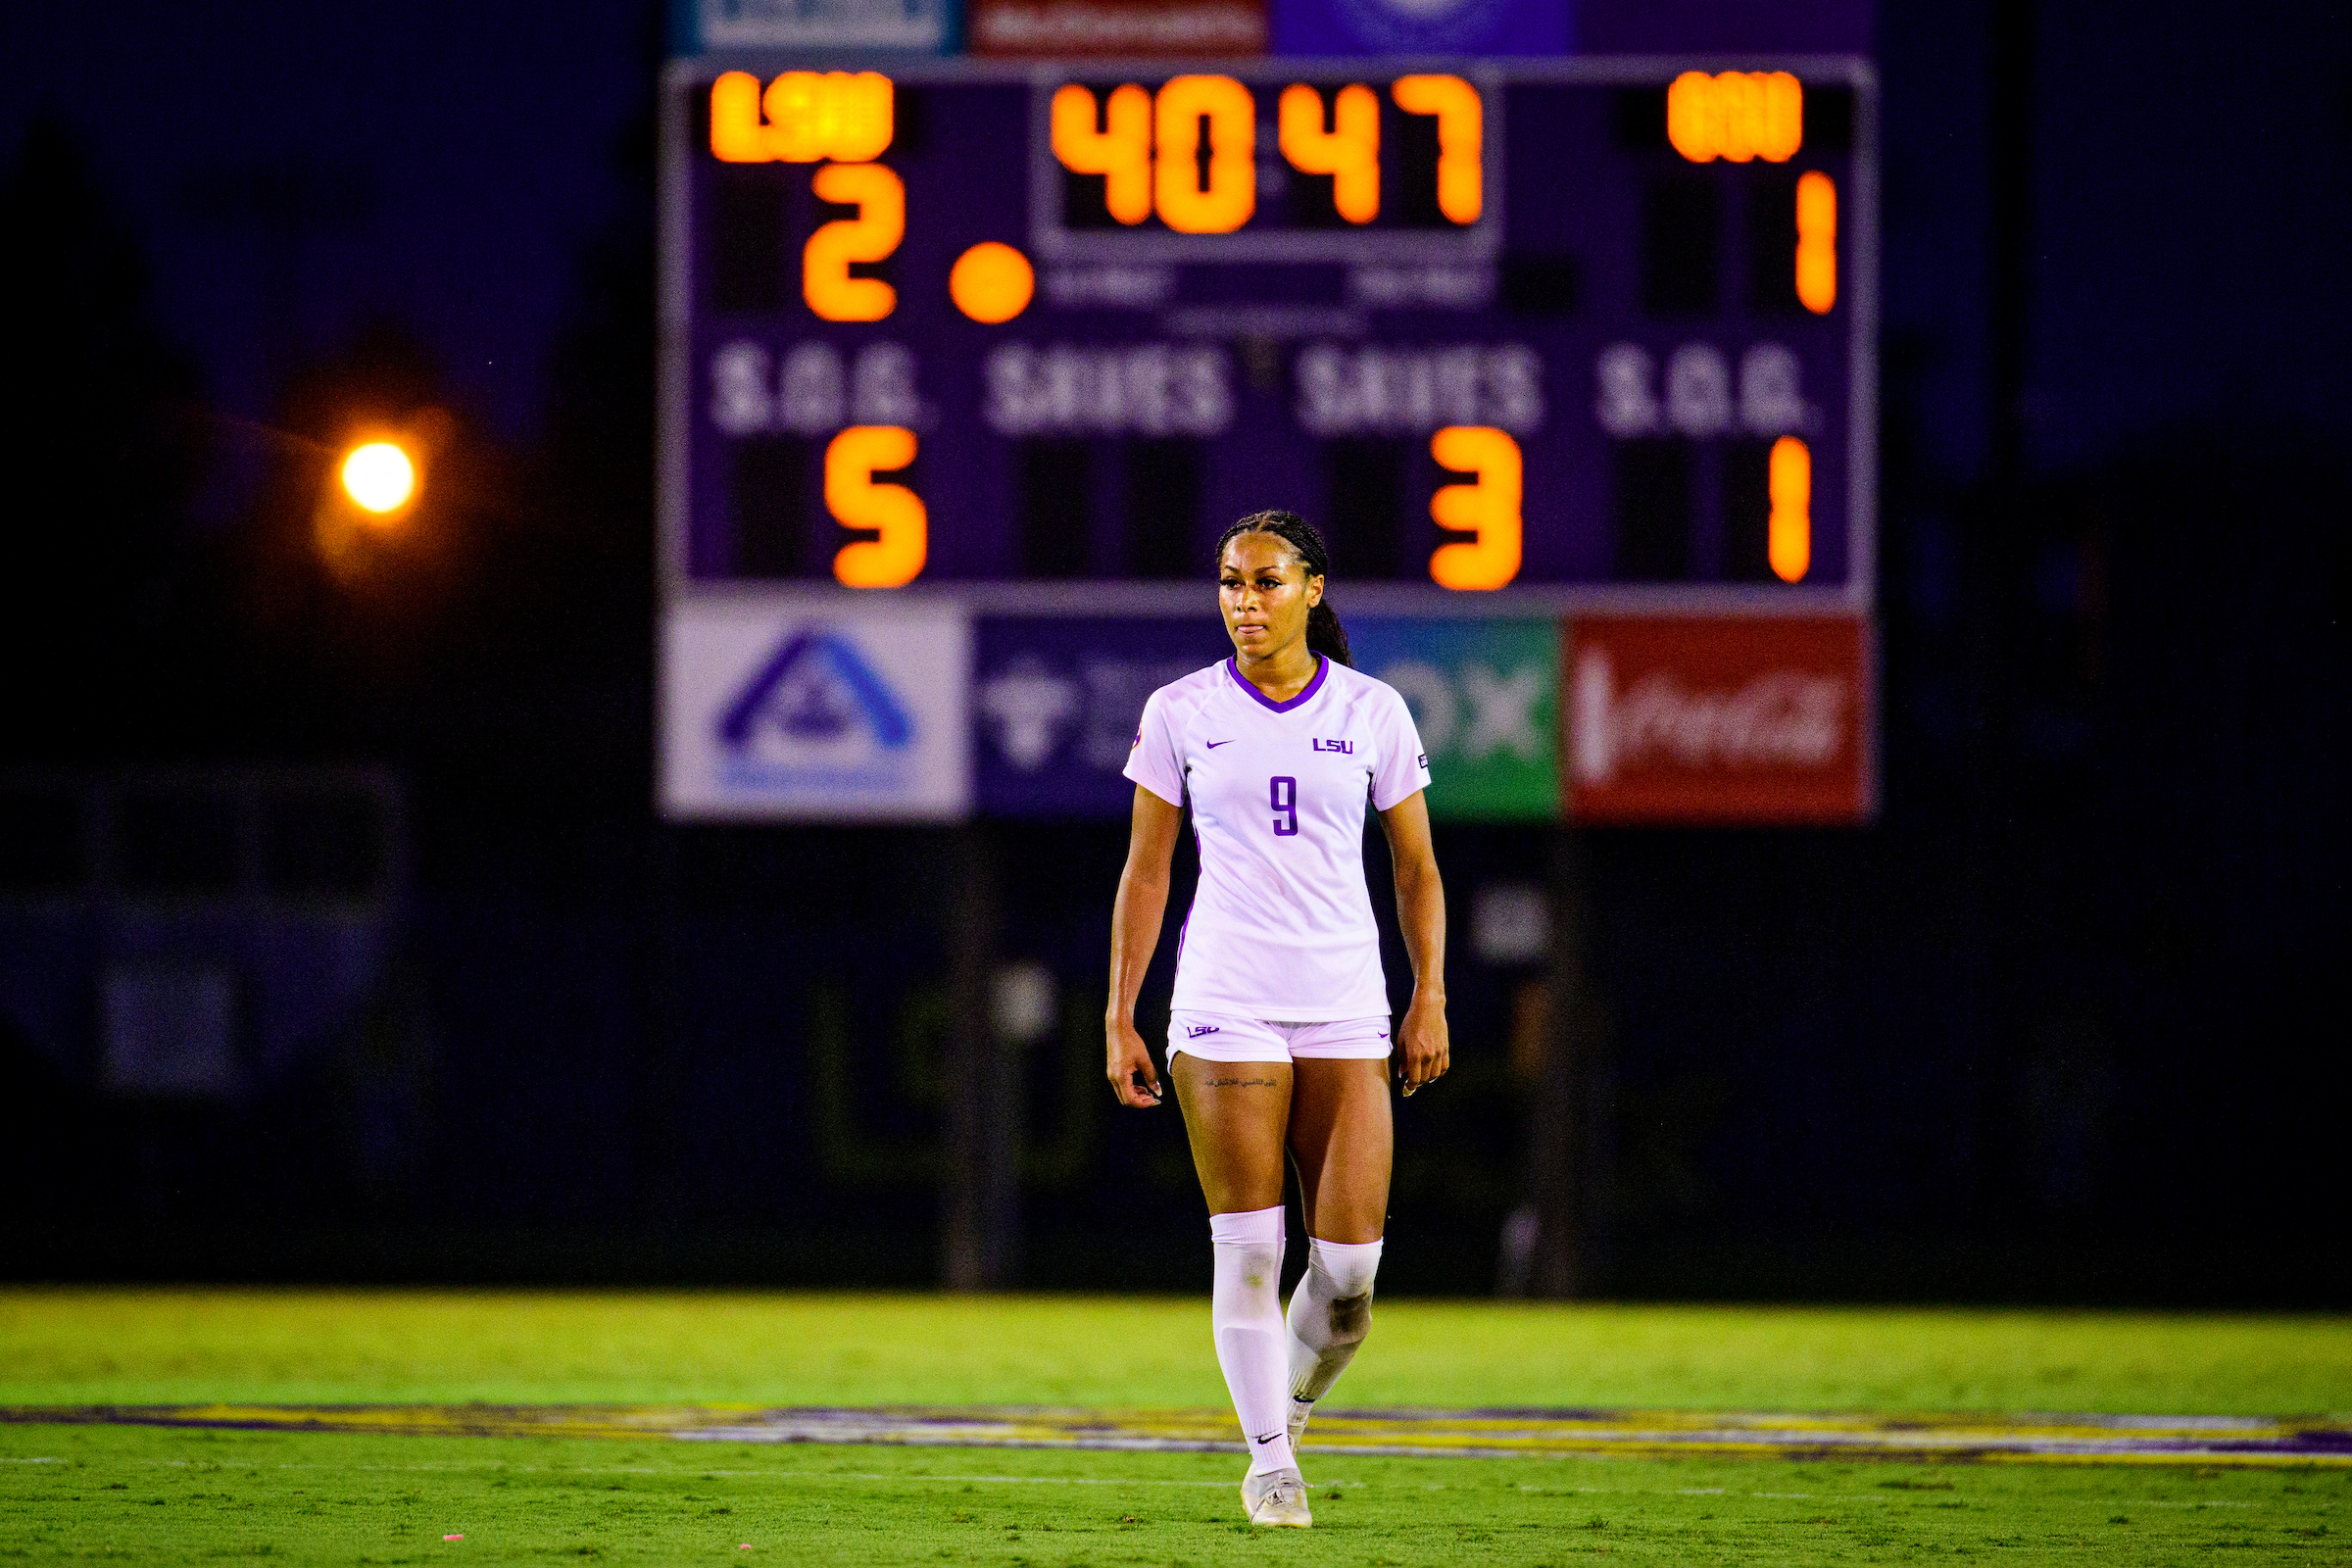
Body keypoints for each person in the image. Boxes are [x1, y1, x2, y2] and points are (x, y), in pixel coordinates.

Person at [1104, 510, 1450, 1529]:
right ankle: (1269, 1465)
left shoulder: (1375, 710)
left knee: (1348, 1283)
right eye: (1228, 583)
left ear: (1312, 588)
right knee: (1249, 1248)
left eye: (1264, 582)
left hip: (1346, 1005)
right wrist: (1122, 1012)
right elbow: (1147, 868)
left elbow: (1418, 866)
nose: (1243, 602)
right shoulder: (1179, 710)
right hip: (1224, 1001)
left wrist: (1429, 989)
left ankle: (1288, 1406)